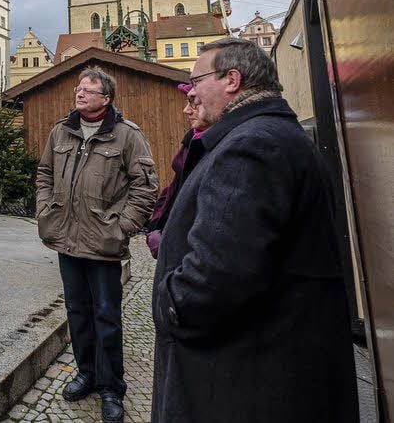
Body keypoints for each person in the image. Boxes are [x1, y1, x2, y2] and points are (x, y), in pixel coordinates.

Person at [151, 38, 358, 423]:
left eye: (195, 80)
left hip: (245, 382)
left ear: (232, 79)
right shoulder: (267, 135)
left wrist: (169, 303)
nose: (191, 91)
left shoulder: (252, 146)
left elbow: (216, 277)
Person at [36, 67, 158, 423]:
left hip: (104, 244)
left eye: (89, 90)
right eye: (79, 88)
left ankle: (111, 387)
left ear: (106, 98)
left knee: (106, 316)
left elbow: (145, 187)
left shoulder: (127, 135)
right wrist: (45, 210)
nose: (80, 93)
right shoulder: (62, 130)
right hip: (66, 241)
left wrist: (122, 228)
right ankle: (86, 374)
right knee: (77, 313)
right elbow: (44, 173)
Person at [145, 83, 209, 259]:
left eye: (193, 102)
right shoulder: (192, 140)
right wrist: (155, 226)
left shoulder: (218, 146)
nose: (186, 110)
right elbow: (173, 189)